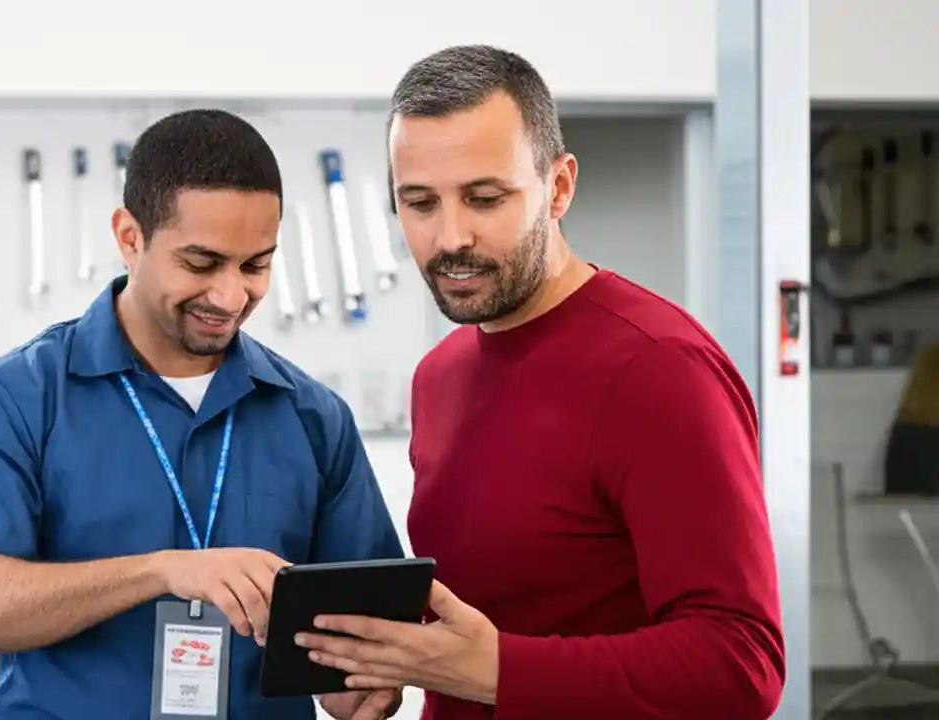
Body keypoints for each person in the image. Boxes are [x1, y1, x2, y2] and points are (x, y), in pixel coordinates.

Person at [295, 45, 786, 719]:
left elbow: (742, 664)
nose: (450, 237)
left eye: (485, 198)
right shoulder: (439, 377)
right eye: (419, 203)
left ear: (558, 187)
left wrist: (498, 671)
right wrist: (385, 666)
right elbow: (496, 608)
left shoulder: (661, 370)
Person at [0, 109, 404, 720]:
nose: (230, 296)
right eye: (200, 263)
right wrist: (164, 572)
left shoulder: (314, 418)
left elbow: (349, 667)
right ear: (129, 237)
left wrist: (366, 684)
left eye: (255, 265)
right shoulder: (14, 396)